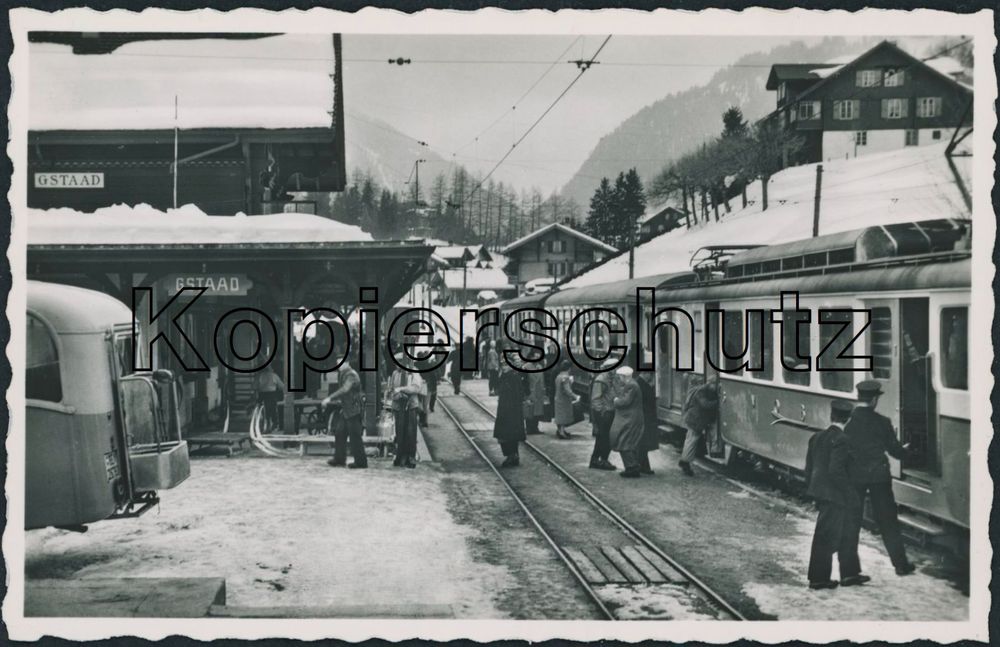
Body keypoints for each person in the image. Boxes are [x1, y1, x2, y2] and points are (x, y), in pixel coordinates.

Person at [843, 379, 915, 576]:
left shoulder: (848, 422)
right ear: (874, 399)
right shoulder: (882, 422)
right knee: (888, 521)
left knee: (851, 522)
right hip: (879, 477)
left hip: (855, 477)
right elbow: (895, 451)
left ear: (859, 398)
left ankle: (849, 571)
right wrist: (908, 451)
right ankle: (901, 565)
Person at [805, 399, 866, 589]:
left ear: (832, 416)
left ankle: (850, 574)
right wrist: (851, 495)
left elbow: (809, 468)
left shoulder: (817, 437)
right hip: (836, 496)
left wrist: (813, 491)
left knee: (844, 532)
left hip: (824, 493)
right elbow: (836, 470)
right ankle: (819, 579)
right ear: (847, 419)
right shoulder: (842, 440)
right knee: (826, 537)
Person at [323, 361, 367, 469]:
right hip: (346, 409)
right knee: (339, 433)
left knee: (355, 437)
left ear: (347, 363)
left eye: (341, 363)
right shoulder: (343, 374)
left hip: (354, 410)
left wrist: (330, 397)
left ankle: (361, 462)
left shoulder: (351, 374)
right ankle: (339, 459)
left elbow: (345, 389)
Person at [387, 354, 426, 469]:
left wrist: (402, 389)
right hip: (398, 407)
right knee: (400, 433)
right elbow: (391, 389)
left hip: (410, 407)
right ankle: (400, 456)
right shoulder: (395, 373)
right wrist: (396, 394)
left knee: (410, 433)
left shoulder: (413, 372)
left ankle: (410, 457)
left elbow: (416, 388)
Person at [678, 375, 718, 476]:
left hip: (696, 421)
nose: (716, 387)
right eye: (715, 384)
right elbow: (705, 404)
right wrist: (718, 403)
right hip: (695, 421)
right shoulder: (701, 391)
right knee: (691, 442)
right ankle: (685, 463)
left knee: (690, 441)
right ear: (710, 383)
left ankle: (685, 461)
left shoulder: (705, 390)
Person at [610, 366, 645, 478]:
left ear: (624, 377)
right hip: (631, 418)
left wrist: (615, 401)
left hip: (630, 419)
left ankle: (632, 468)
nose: (619, 379)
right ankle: (631, 467)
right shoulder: (633, 384)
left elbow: (625, 401)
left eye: (620, 376)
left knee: (625, 442)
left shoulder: (631, 386)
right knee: (626, 442)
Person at [493, 354, 527, 467]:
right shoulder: (507, 376)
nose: (504, 366)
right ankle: (513, 456)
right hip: (508, 410)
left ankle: (511, 456)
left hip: (510, 411)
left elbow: (518, 394)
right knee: (509, 435)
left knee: (507, 435)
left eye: (506, 364)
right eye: (502, 364)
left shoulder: (512, 377)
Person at [588, 358, 617, 470]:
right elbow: (595, 399)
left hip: (609, 412)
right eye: (614, 368)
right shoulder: (601, 380)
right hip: (604, 413)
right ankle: (601, 460)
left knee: (603, 438)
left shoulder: (610, 379)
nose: (615, 370)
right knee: (603, 438)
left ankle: (597, 460)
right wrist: (602, 412)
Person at [636, 371, 659, 475]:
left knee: (643, 443)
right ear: (646, 373)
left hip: (646, 417)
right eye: (651, 374)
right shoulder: (640, 385)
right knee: (643, 443)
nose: (652, 376)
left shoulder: (641, 383)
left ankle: (643, 465)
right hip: (645, 418)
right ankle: (642, 466)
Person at [254, 364, 285, 432]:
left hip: (262, 395)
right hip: (271, 395)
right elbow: (281, 386)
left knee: (262, 410)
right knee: (273, 410)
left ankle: (264, 424)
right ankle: (273, 423)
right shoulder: (273, 375)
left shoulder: (260, 376)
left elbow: (255, 387)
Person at [553, 360, 579, 439]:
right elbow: (567, 390)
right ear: (569, 368)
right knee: (563, 416)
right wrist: (575, 396)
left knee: (560, 416)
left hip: (558, 398)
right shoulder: (566, 377)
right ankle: (561, 432)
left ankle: (561, 431)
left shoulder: (559, 376)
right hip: (564, 400)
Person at [523, 360, 546, 435]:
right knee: (530, 411)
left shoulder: (540, 367)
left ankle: (535, 428)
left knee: (537, 411)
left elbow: (542, 380)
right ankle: (529, 428)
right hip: (530, 391)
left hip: (539, 392)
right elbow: (525, 381)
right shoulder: (526, 367)